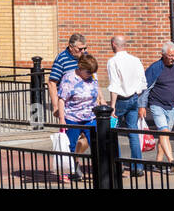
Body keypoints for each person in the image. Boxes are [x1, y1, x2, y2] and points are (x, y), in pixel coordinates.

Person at [56, 53, 104, 183]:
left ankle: (101, 171)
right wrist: (62, 119)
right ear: (80, 67)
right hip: (72, 116)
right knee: (69, 146)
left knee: (97, 143)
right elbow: (62, 99)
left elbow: (97, 89)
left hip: (90, 116)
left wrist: (103, 101)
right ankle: (66, 172)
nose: (91, 74)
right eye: (88, 71)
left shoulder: (92, 76)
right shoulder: (69, 78)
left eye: (93, 72)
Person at [106, 34, 147, 177]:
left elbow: (114, 85)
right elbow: (143, 82)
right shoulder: (136, 60)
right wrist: (136, 94)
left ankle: (117, 165)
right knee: (133, 132)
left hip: (120, 100)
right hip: (134, 98)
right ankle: (138, 167)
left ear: (114, 44)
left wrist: (112, 106)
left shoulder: (113, 61)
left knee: (112, 131)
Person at [143, 41, 174, 167]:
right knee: (164, 132)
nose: (173, 58)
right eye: (170, 55)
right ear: (163, 55)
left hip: (172, 106)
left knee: (164, 136)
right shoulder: (155, 68)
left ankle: (158, 162)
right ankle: (171, 160)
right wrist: (142, 106)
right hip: (157, 105)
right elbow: (145, 88)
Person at [47, 33, 87, 117]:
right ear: (71, 47)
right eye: (80, 49)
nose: (83, 51)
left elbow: (93, 78)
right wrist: (55, 107)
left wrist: (100, 98)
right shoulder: (61, 59)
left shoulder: (86, 56)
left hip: (86, 106)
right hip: (69, 107)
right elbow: (52, 83)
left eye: (85, 48)